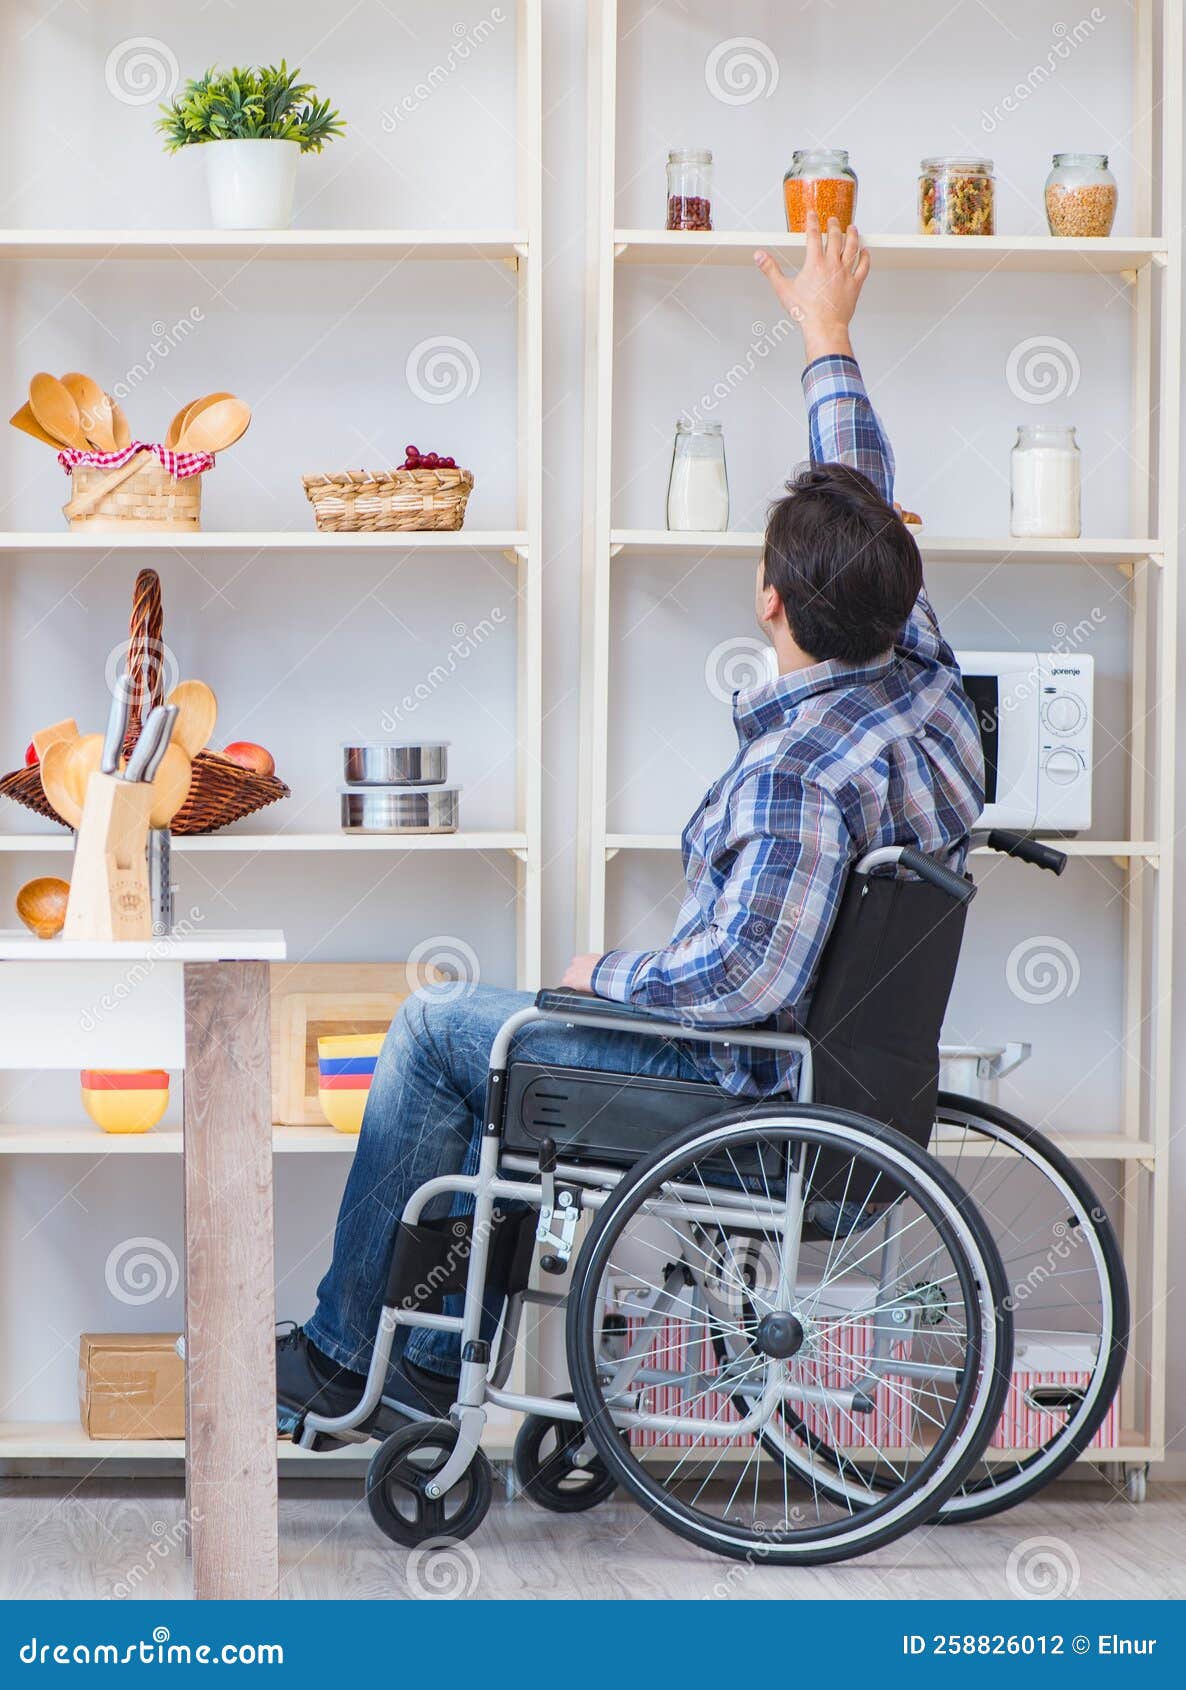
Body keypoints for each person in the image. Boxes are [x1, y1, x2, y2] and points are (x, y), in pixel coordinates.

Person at [276, 212, 985, 1431]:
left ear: (766, 598)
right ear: (896, 588)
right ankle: (432, 1357)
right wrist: (828, 339)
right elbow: (862, 499)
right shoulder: (922, 685)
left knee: (443, 1031)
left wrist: (601, 972)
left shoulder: (798, 773)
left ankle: (358, 1355)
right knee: (494, 1053)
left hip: (741, 1095)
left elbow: (737, 971)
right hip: (841, 1092)